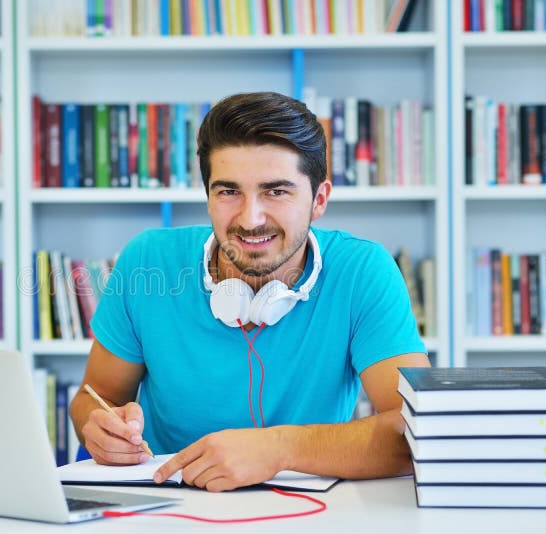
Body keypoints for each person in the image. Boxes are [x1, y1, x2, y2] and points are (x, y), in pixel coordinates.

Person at [69, 91, 430, 492]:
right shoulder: (147, 260)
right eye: (228, 192)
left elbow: (418, 432)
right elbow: (94, 397)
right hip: (169, 510)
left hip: (312, 515)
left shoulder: (363, 271)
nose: (251, 219)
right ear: (207, 196)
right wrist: (98, 428)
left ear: (319, 200)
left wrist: (278, 448)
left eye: (276, 191)